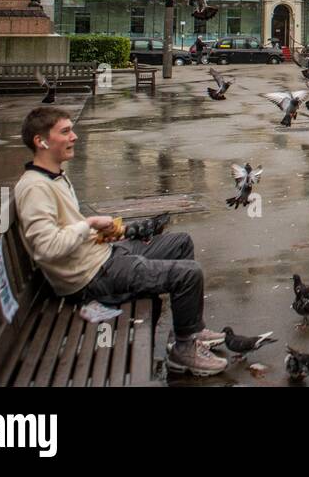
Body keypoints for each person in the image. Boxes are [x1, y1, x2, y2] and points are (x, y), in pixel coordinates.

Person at [13, 107, 227, 376]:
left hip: (102, 254)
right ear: (40, 141)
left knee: (181, 242)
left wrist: (102, 232)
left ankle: (188, 330)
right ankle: (183, 352)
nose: (74, 137)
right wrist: (89, 225)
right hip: (91, 277)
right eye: (65, 132)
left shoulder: (54, 175)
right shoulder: (34, 188)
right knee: (188, 275)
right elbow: (45, 248)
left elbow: (66, 229)